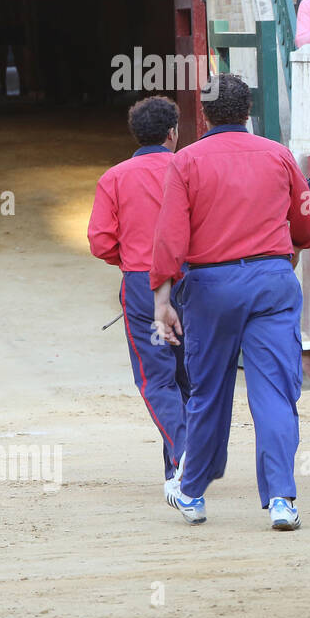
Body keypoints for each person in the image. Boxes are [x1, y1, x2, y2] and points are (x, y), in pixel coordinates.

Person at [152, 74, 310, 531]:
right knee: (276, 394)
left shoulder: (185, 161)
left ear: (204, 114)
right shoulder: (278, 154)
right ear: (248, 112)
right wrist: (286, 257)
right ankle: (283, 498)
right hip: (272, 281)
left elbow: (170, 238)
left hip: (212, 287)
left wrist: (163, 299)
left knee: (208, 392)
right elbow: (306, 225)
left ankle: (193, 491)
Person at [87, 96, 189, 501]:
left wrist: (131, 261)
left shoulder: (115, 177)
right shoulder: (189, 167)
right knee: (190, 376)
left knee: (156, 378)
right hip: (194, 281)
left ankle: (183, 457)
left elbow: (100, 242)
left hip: (143, 285)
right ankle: (179, 464)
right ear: (173, 134)